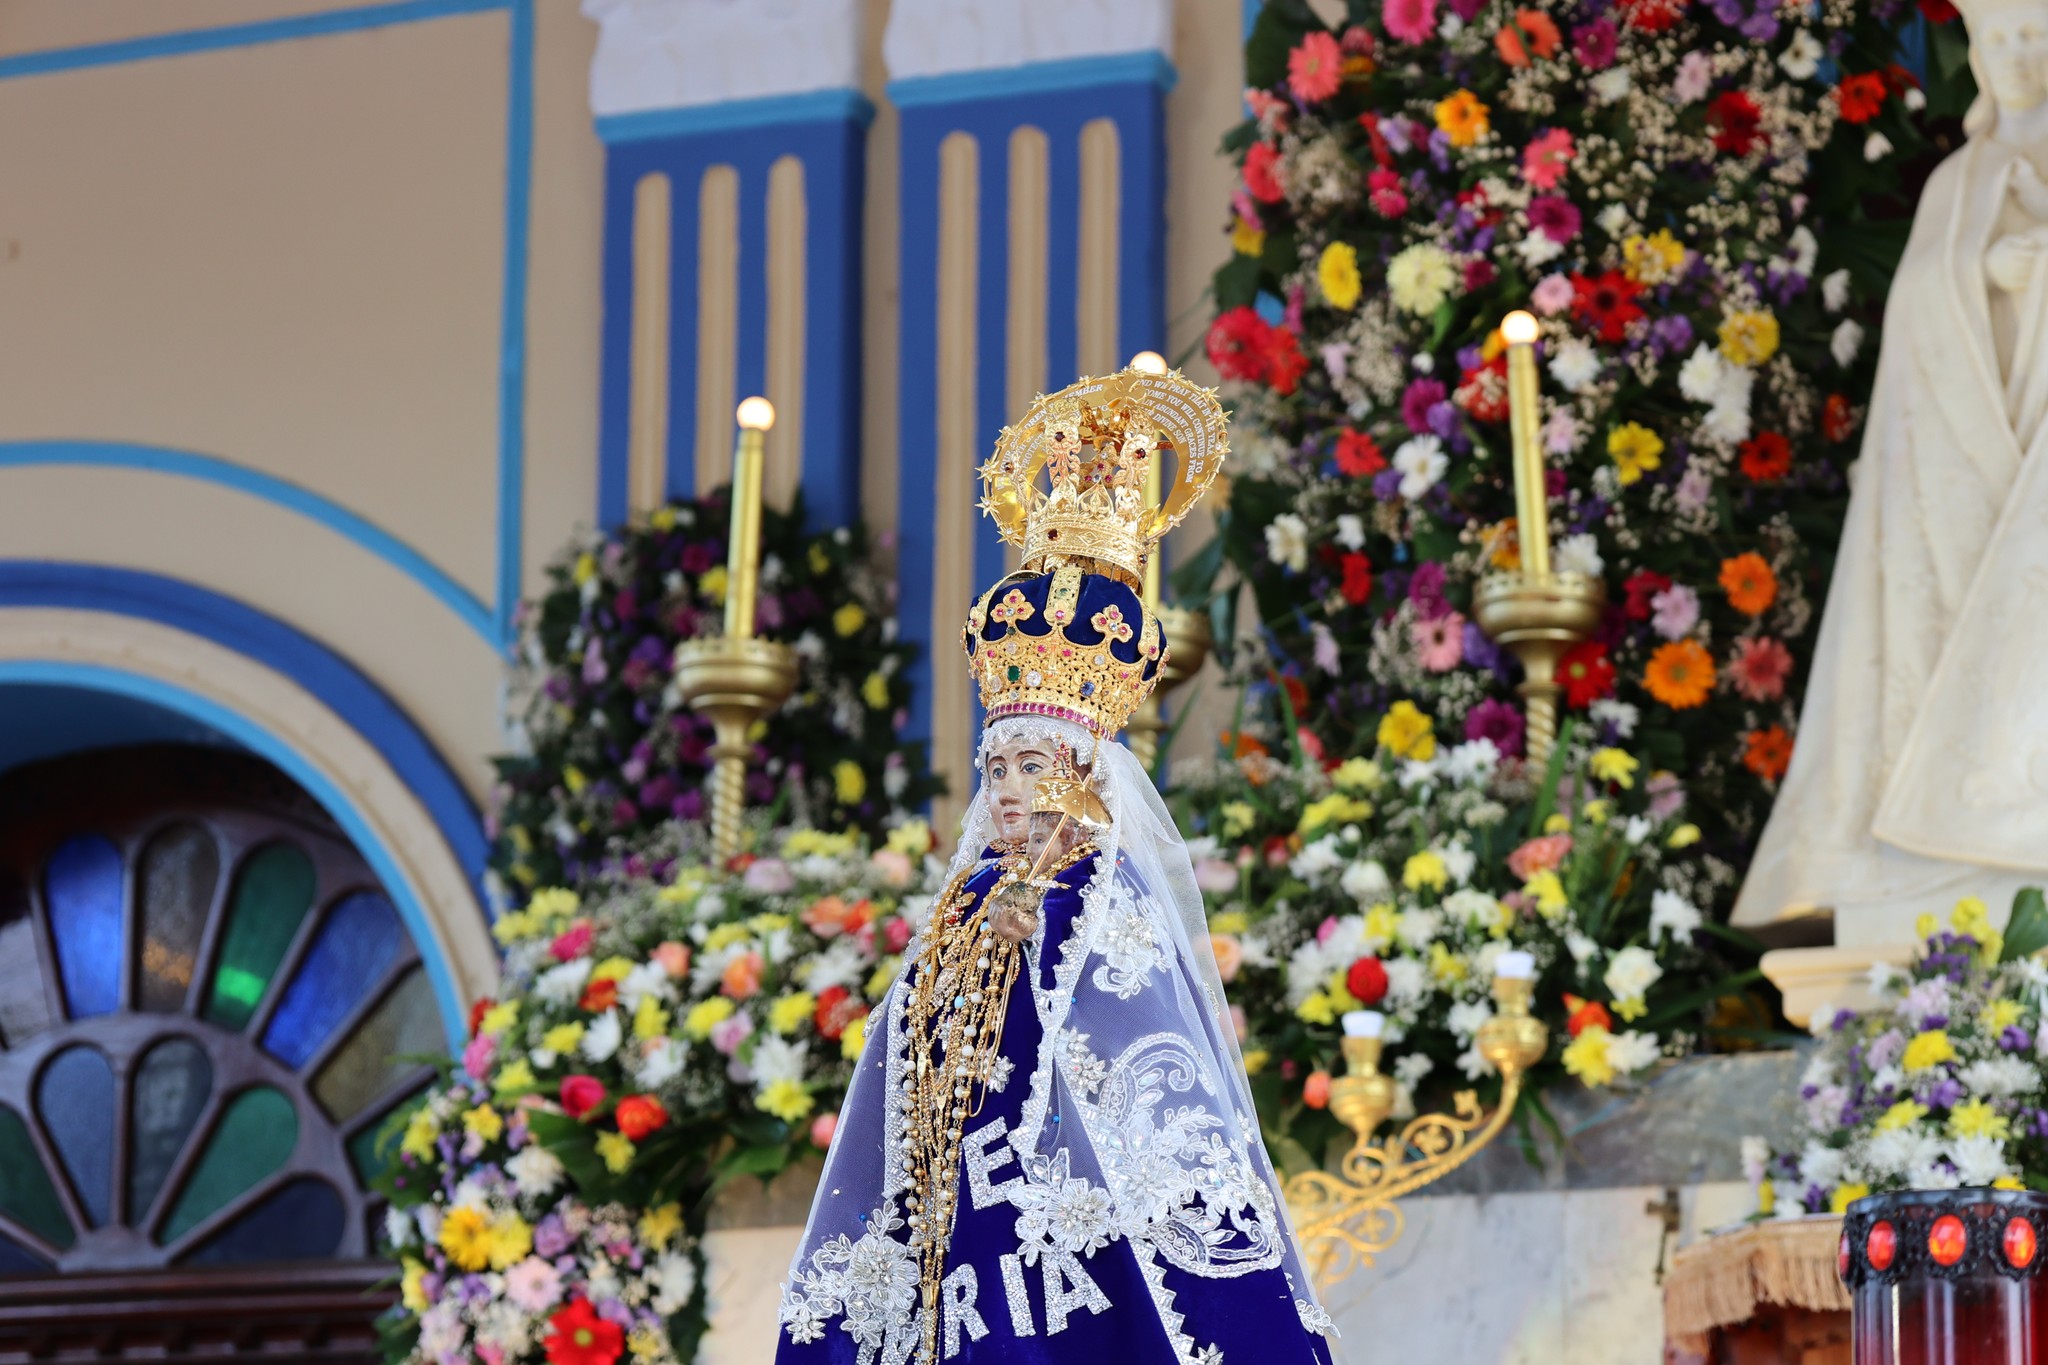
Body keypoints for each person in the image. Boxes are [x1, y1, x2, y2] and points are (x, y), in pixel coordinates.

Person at [775, 364, 1339, 1364]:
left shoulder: (1098, 896)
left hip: (1069, 1264)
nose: (1004, 789)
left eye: (1031, 765)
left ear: (1088, 778)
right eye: (994, 766)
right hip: (957, 1249)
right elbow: (904, 1084)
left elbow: (1139, 1086)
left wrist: (1037, 950)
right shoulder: (963, 903)